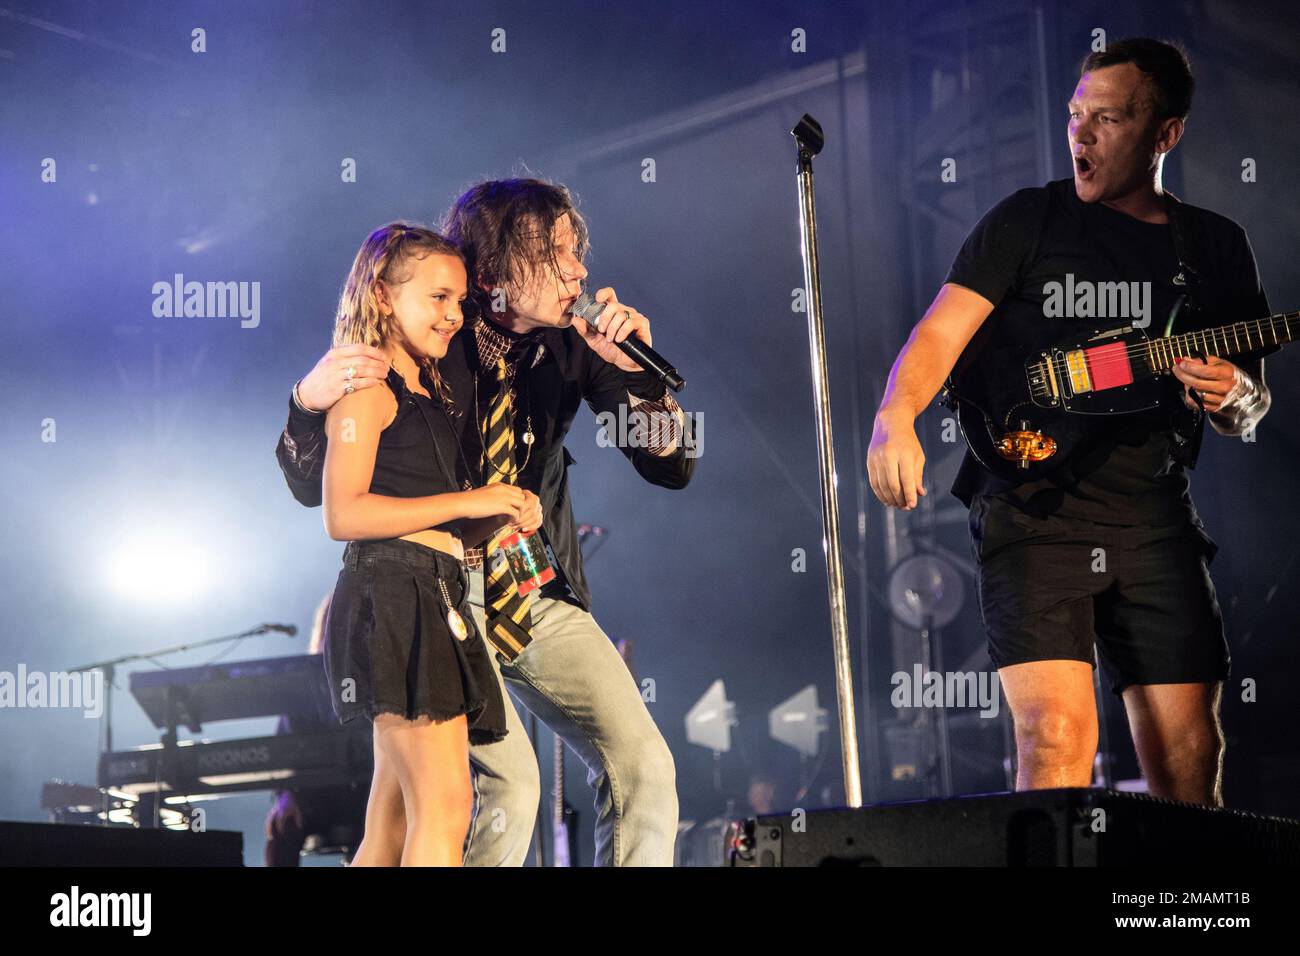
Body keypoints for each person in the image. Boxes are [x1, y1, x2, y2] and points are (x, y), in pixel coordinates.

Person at [867, 38, 1276, 806]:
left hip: (1153, 512)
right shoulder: (1027, 220)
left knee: (1191, 757)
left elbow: (1253, 405)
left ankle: (1182, 918)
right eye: (1074, 116)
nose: (1081, 136)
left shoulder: (1215, 248)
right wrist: (896, 414)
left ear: (1166, 134)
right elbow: (939, 334)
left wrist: (1232, 398)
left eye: (1108, 120)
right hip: (1031, 509)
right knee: (1055, 736)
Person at [275, 180, 697, 865]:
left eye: (576, 250)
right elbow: (313, 489)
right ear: (496, 267)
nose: (579, 270)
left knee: (645, 764)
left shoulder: (578, 342)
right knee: (503, 789)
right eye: (555, 252)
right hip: (435, 591)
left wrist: (646, 385)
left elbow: (673, 465)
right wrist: (301, 406)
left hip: (533, 587)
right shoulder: (433, 325)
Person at [310, 222, 542, 866]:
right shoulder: (365, 392)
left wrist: (492, 515)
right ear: (383, 295)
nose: (453, 316)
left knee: (391, 826)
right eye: (438, 298)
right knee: (446, 808)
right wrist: (472, 500)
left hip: (429, 589)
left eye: (461, 302)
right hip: (395, 593)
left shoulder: (424, 392)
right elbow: (343, 513)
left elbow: (420, 514)